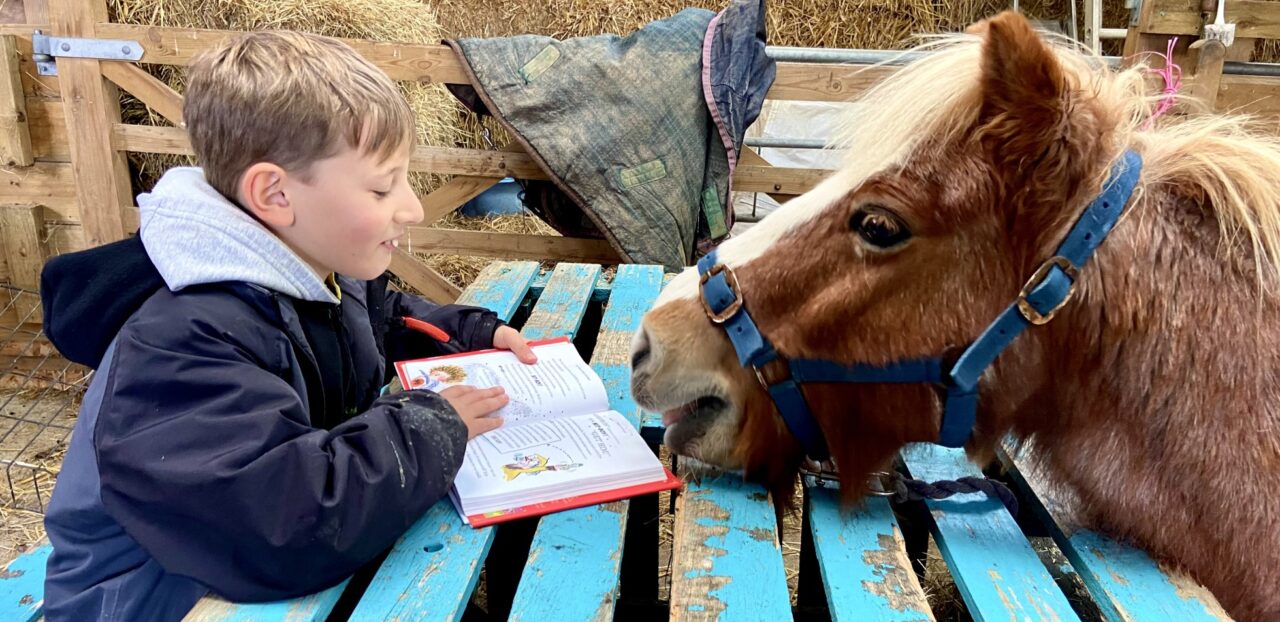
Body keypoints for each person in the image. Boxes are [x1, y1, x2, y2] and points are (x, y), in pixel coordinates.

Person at [37, 30, 537, 621]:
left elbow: (372, 320)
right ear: (274, 194)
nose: (413, 209)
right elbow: (287, 524)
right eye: (382, 186)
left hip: (242, 571)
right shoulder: (183, 344)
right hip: (161, 597)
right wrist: (432, 428)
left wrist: (470, 332)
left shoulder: (308, 267)